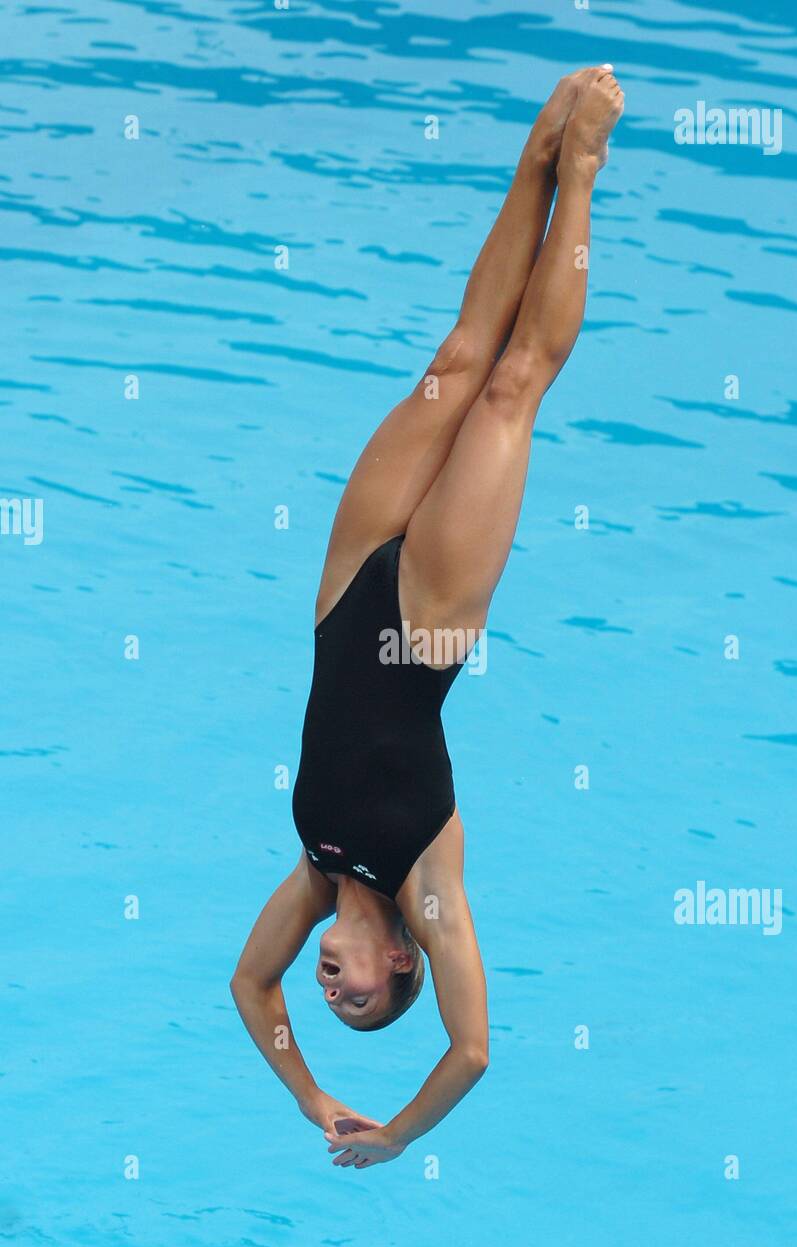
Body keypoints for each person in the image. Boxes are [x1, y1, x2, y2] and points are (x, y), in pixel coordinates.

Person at [231, 66, 624, 1169]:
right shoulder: (427, 888)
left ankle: (534, 152)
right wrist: (395, 1131)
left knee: (455, 361)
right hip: (429, 621)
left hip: (344, 590)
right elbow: (474, 1049)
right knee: (512, 386)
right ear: (397, 963)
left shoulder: (314, 868)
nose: (331, 991)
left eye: (332, 1002)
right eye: (358, 1002)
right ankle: (582, 169)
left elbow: (244, 983)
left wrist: (310, 1094)